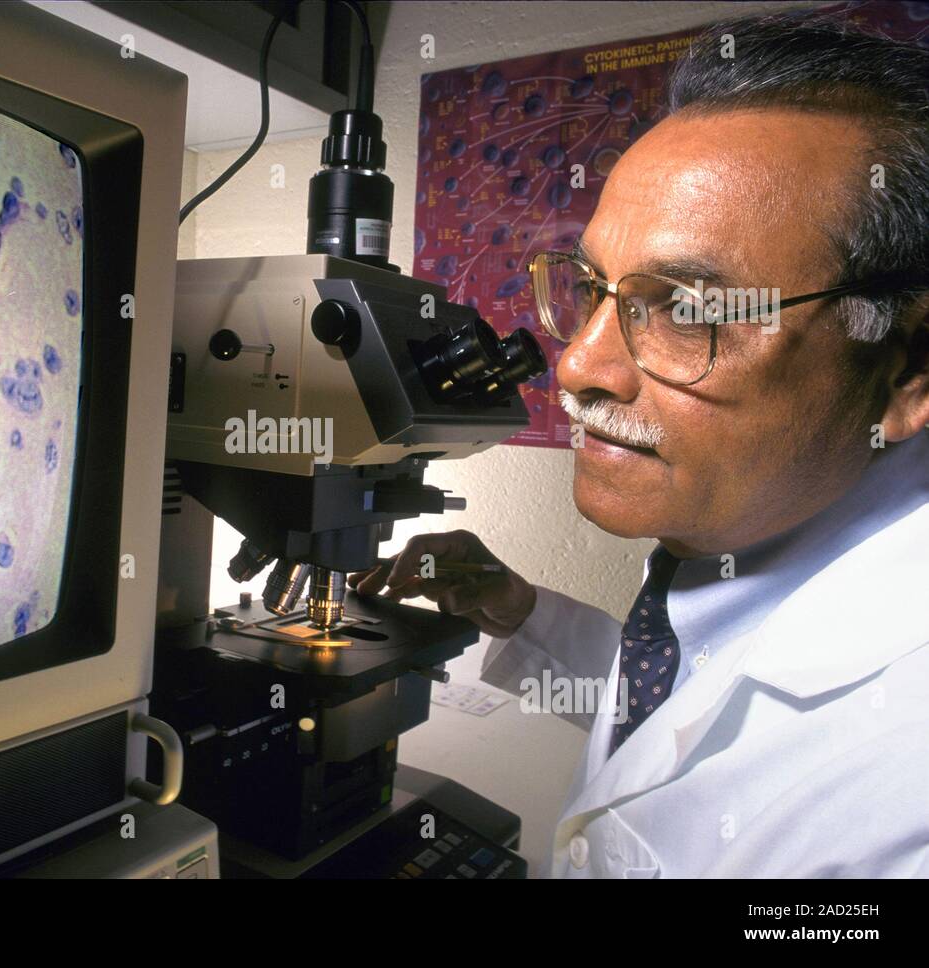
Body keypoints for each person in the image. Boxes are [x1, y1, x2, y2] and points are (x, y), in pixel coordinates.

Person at [354, 13, 929, 877]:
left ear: (908, 370)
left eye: (690, 308)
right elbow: (696, 700)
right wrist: (521, 611)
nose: (579, 365)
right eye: (593, 289)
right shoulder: (741, 560)